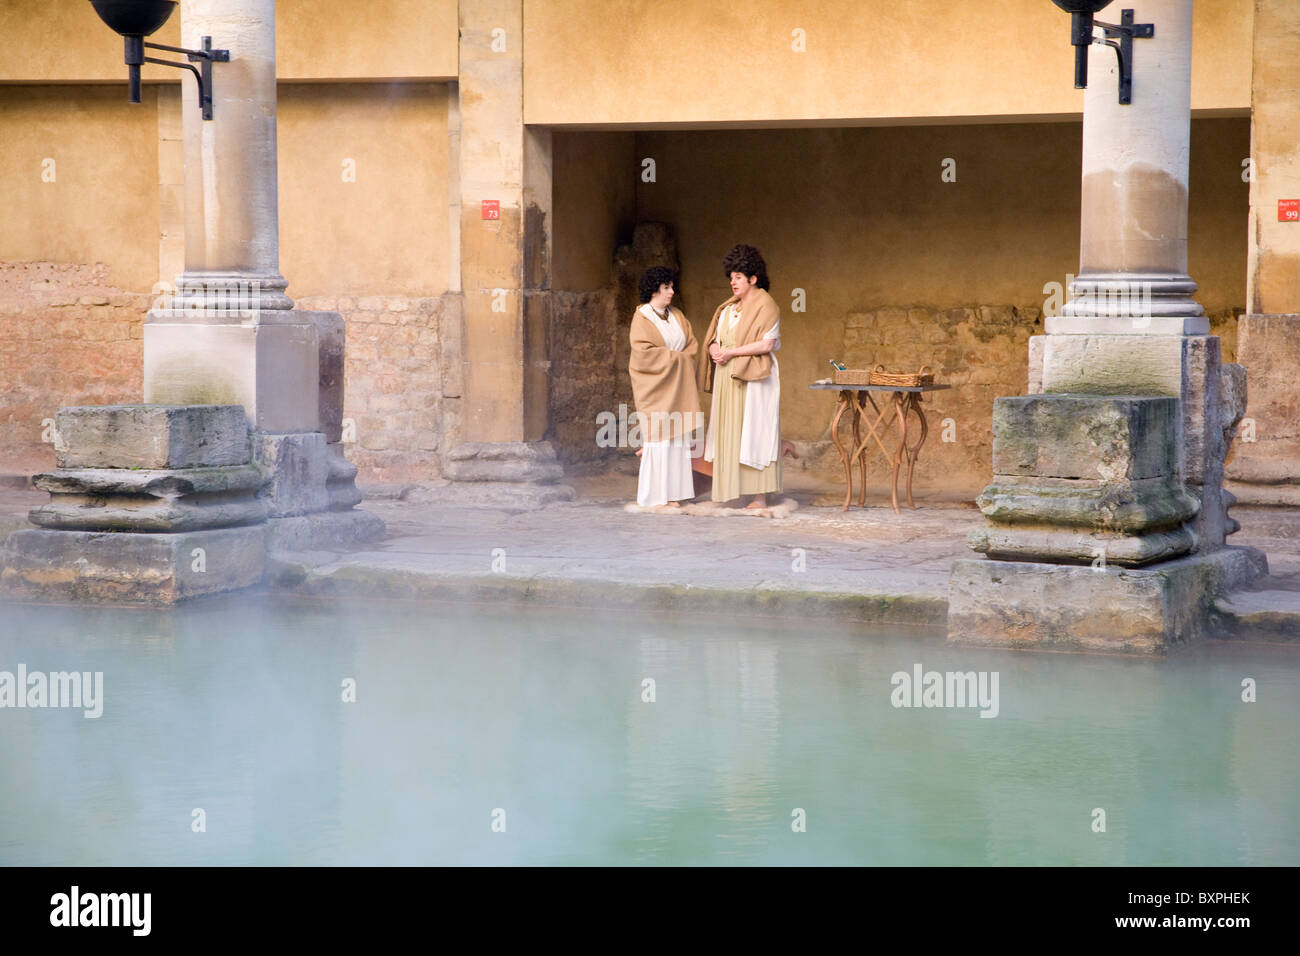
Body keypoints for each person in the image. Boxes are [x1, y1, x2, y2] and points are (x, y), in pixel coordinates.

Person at [698, 244, 782, 508]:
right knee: (729, 432)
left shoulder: (767, 305)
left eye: (738, 277)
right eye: (731, 278)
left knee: (755, 433)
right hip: (727, 375)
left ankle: (759, 497)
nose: (733, 283)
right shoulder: (728, 308)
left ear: (753, 278)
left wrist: (731, 353)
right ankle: (731, 492)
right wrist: (715, 351)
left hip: (752, 378)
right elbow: (714, 338)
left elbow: (767, 344)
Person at [628, 266, 703, 508]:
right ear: (654, 290)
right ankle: (656, 497)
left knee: (677, 440)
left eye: (672, 287)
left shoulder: (677, 315)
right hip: (656, 388)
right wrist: (676, 358)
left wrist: (679, 359)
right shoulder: (642, 317)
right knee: (659, 440)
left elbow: (692, 345)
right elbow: (642, 354)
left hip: (678, 386)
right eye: (666, 287)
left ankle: (675, 495)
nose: (671, 292)